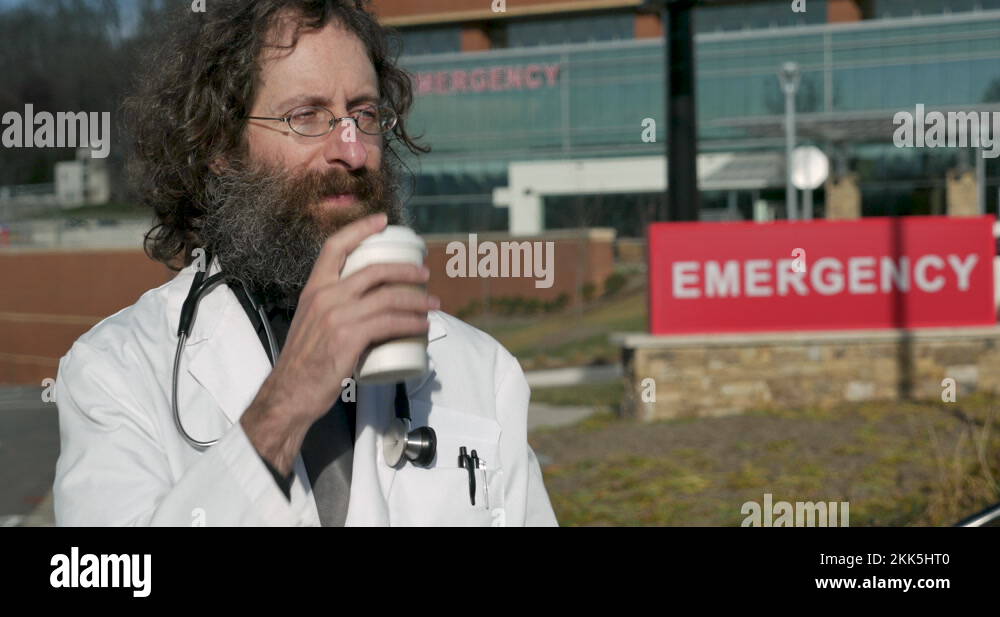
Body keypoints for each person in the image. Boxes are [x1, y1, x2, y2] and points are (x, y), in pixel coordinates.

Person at [52, 0, 558, 526]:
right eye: (307, 116)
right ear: (221, 145)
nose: (353, 150)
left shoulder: (482, 370)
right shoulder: (116, 372)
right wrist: (283, 407)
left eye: (363, 114)